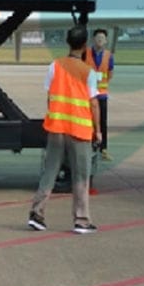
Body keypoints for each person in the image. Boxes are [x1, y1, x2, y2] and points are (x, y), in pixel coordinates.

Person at [28, 25, 102, 234]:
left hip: (57, 128)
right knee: (80, 176)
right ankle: (81, 220)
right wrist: (98, 130)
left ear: (68, 43)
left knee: (49, 173)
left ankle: (37, 214)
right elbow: (94, 103)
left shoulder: (55, 65)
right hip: (79, 130)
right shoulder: (88, 72)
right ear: (85, 45)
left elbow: (50, 96)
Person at [82, 27, 115, 159]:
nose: (99, 40)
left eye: (102, 38)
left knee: (102, 122)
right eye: (97, 38)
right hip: (88, 93)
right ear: (93, 40)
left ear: (106, 41)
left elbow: (110, 73)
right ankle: (88, 147)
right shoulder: (86, 54)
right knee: (88, 121)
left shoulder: (109, 56)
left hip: (101, 94)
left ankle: (103, 149)